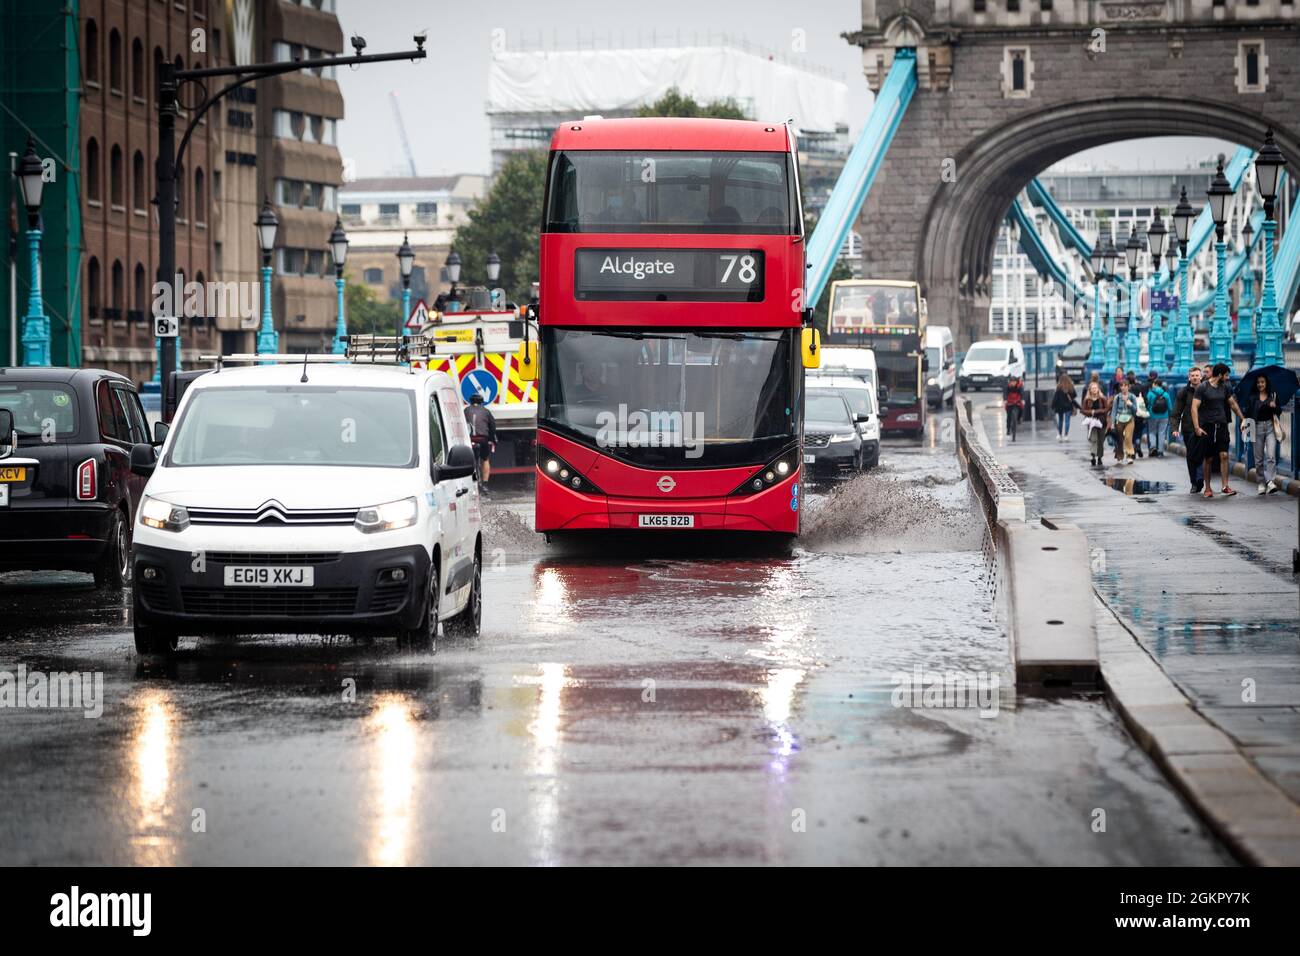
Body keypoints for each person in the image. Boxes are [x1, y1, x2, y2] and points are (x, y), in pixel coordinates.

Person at [1191, 362, 1246, 499]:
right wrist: (1197, 427)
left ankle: (1225, 486)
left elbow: (1232, 403)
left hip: (1222, 426)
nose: (1228, 378)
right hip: (1207, 427)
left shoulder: (1225, 387)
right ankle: (1208, 488)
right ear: (1220, 375)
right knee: (1208, 459)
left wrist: (1242, 418)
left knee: (1224, 456)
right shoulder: (1203, 388)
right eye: (1226, 375)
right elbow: (1194, 408)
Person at [1242, 373, 1283, 495]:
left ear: (1266, 383)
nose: (1260, 384)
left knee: (1271, 456)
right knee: (1258, 459)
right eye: (1258, 382)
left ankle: (1270, 482)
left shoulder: (1273, 395)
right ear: (1256, 384)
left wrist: (1274, 407)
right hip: (1256, 427)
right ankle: (1261, 482)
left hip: (1270, 426)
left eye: (1263, 382)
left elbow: (1279, 411)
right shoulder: (1252, 397)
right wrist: (1244, 423)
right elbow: (1247, 412)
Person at [1171, 366, 1205, 493]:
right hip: (1189, 428)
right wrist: (1175, 428)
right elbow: (1176, 412)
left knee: (1202, 454)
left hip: (1204, 428)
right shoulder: (1184, 392)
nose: (1195, 377)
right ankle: (1194, 482)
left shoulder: (1207, 390)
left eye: (1197, 375)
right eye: (1193, 375)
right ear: (1189, 377)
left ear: (1201, 377)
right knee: (1191, 455)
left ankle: (1201, 478)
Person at [464, 394, 497, 492]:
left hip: (469, 440)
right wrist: (492, 438)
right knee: (485, 460)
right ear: (482, 402)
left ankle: (472, 482)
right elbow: (492, 426)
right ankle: (485, 484)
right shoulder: (486, 411)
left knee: (469, 462)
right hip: (482, 439)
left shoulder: (466, 411)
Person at [1080, 380, 1111, 467]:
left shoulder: (1103, 399)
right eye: (1092, 388)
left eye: (1095, 388)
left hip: (1101, 421)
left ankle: (1100, 457)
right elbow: (1083, 410)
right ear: (1089, 390)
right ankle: (1093, 456)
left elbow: (1107, 409)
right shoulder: (1087, 399)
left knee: (1101, 440)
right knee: (1094, 439)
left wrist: (1097, 411)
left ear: (1098, 389)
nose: (1094, 390)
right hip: (1091, 422)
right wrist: (1091, 412)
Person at [1111, 379, 1137, 464]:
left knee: (1128, 437)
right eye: (1121, 386)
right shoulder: (1117, 397)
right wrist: (1112, 423)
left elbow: (1135, 410)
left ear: (1128, 387)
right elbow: (1114, 410)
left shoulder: (1132, 397)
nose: (1123, 388)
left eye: (1125, 386)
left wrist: (1130, 404)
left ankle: (1129, 455)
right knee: (1119, 439)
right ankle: (1120, 456)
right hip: (1119, 419)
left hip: (1130, 419)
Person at [1146, 377, 1172, 457]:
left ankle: (1153, 447)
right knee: (1162, 433)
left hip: (1152, 415)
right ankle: (1160, 451)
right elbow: (1170, 407)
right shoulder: (1166, 394)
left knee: (1152, 432)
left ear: (1155, 384)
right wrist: (1170, 416)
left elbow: (1147, 404)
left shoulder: (1150, 393)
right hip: (1164, 416)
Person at [1051, 372, 1079, 442]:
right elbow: (1074, 395)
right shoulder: (1070, 386)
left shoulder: (1059, 387)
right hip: (1068, 407)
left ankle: (1060, 435)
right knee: (1067, 421)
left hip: (1060, 407)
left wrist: (1052, 406)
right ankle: (1066, 435)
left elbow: (1055, 398)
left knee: (1060, 421)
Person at [1004, 374, 1025, 442]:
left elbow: (1022, 393)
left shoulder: (1020, 386)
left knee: (1021, 409)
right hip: (1010, 402)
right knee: (1009, 416)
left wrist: (1022, 399)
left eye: (1014, 382)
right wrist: (1005, 400)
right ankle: (1008, 429)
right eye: (1011, 382)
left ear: (1016, 382)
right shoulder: (1008, 386)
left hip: (1017, 402)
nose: (1012, 383)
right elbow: (1005, 393)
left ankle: (1019, 418)